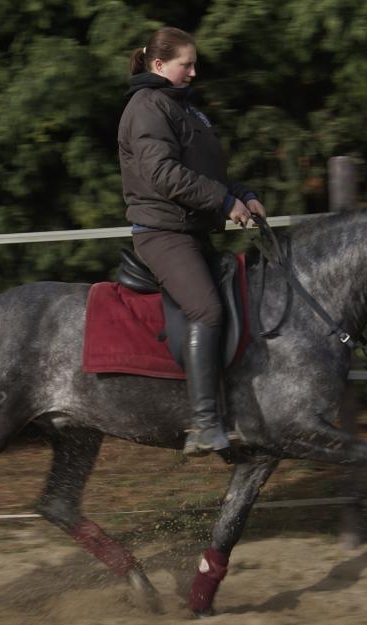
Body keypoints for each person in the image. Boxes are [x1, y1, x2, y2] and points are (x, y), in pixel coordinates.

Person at [118, 26, 266, 456]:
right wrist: (222, 201)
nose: (194, 72)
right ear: (160, 65)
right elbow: (163, 175)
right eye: (186, 64)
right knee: (206, 308)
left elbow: (209, 173)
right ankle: (203, 425)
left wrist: (243, 194)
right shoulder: (147, 108)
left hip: (193, 230)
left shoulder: (187, 111)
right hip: (164, 234)